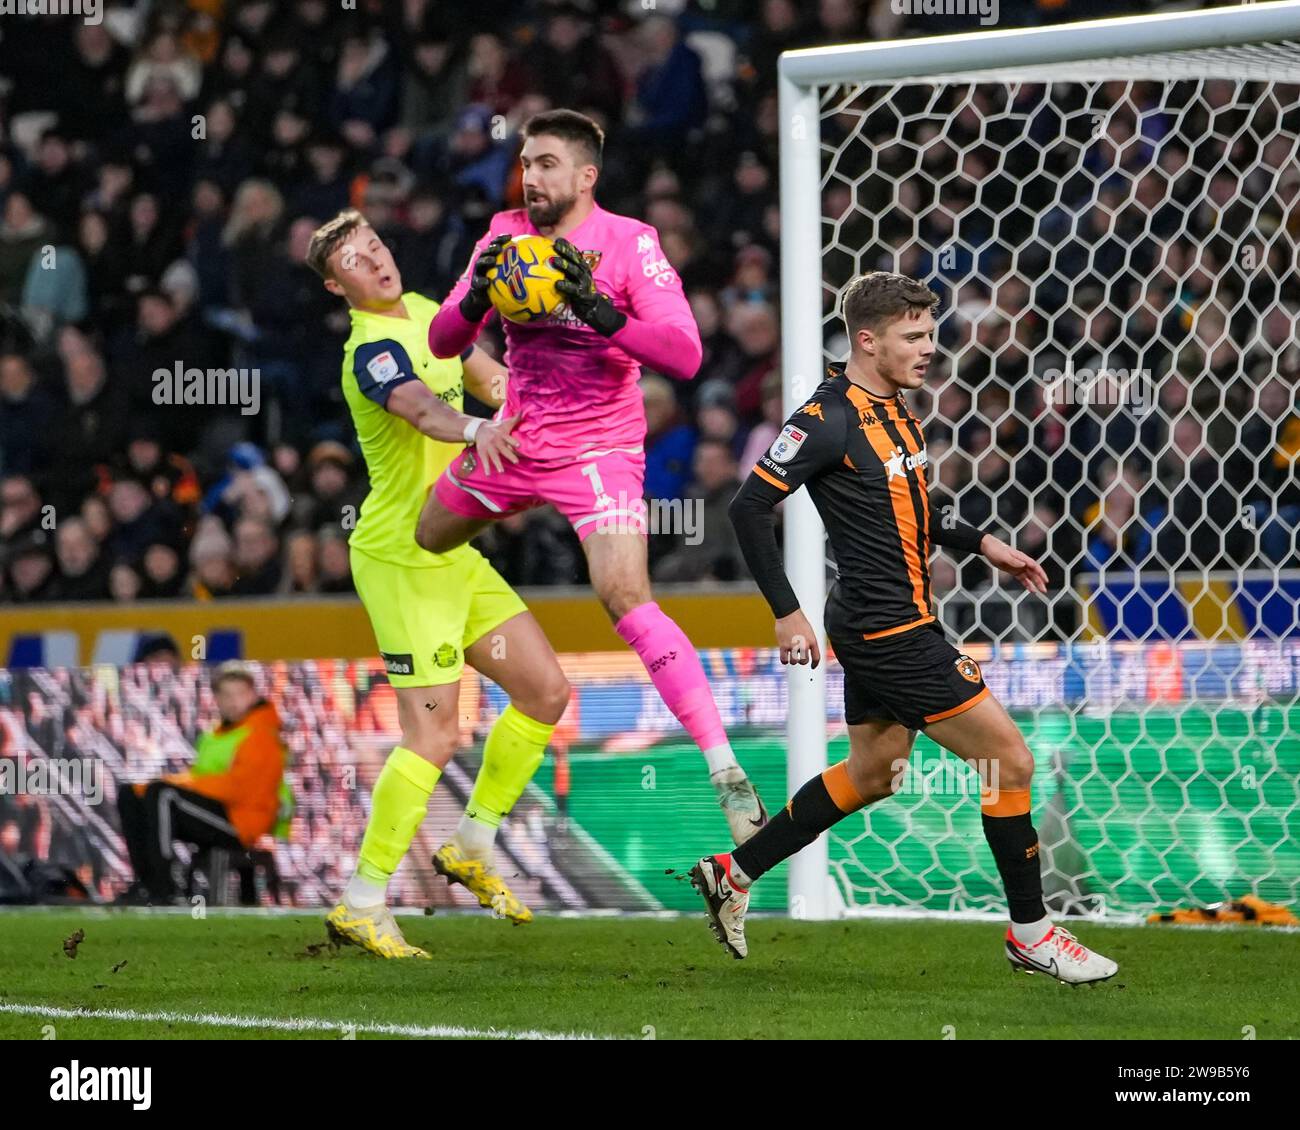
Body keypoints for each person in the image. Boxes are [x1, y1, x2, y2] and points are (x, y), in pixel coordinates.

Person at [690, 271, 1118, 985]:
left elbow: (916, 510)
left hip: (885, 621)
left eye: (929, 334)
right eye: (913, 337)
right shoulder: (827, 418)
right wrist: (786, 610)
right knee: (1009, 762)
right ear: (868, 340)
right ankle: (1032, 933)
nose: (929, 349)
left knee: (874, 773)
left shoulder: (896, 409)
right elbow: (746, 508)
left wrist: (982, 543)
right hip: (890, 631)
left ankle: (733, 872)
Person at [421, 109, 766, 843]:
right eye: (526, 162)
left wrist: (601, 313)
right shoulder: (502, 234)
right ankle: (498, 658)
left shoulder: (630, 243)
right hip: (514, 437)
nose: (531, 176)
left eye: (546, 163)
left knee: (624, 596)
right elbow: (442, 339)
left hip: (598, 451)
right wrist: (477, 299)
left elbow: (684, 355)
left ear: (586, 176)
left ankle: (725, 770)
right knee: (425, 535)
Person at [306, 208, 571, 958]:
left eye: (378, 247)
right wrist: (477, 431)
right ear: (338, 286)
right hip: (400, 559)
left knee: (546, 692)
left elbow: (491, 378)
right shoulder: (368, 351)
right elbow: (422, 409)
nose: (377, 262)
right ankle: (362, 900)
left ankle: (473, 842)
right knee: (435, 733)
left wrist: (554, 402)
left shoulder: (428, 314)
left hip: (452, 549)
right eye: (356, 261)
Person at [116, 662, 285, 905]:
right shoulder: (215, 735)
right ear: (216, 698)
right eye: (226, 695)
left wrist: (183, 783)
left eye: (239, 694)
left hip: (242, 821)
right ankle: (145, 883)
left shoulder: (261, 734)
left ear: (252, 695)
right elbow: (202, 779)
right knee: (130, 794)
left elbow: (237, 789)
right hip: (217, 812)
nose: (233, 701)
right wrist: (184, 783)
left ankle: (164, 888)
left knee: (162, 794)